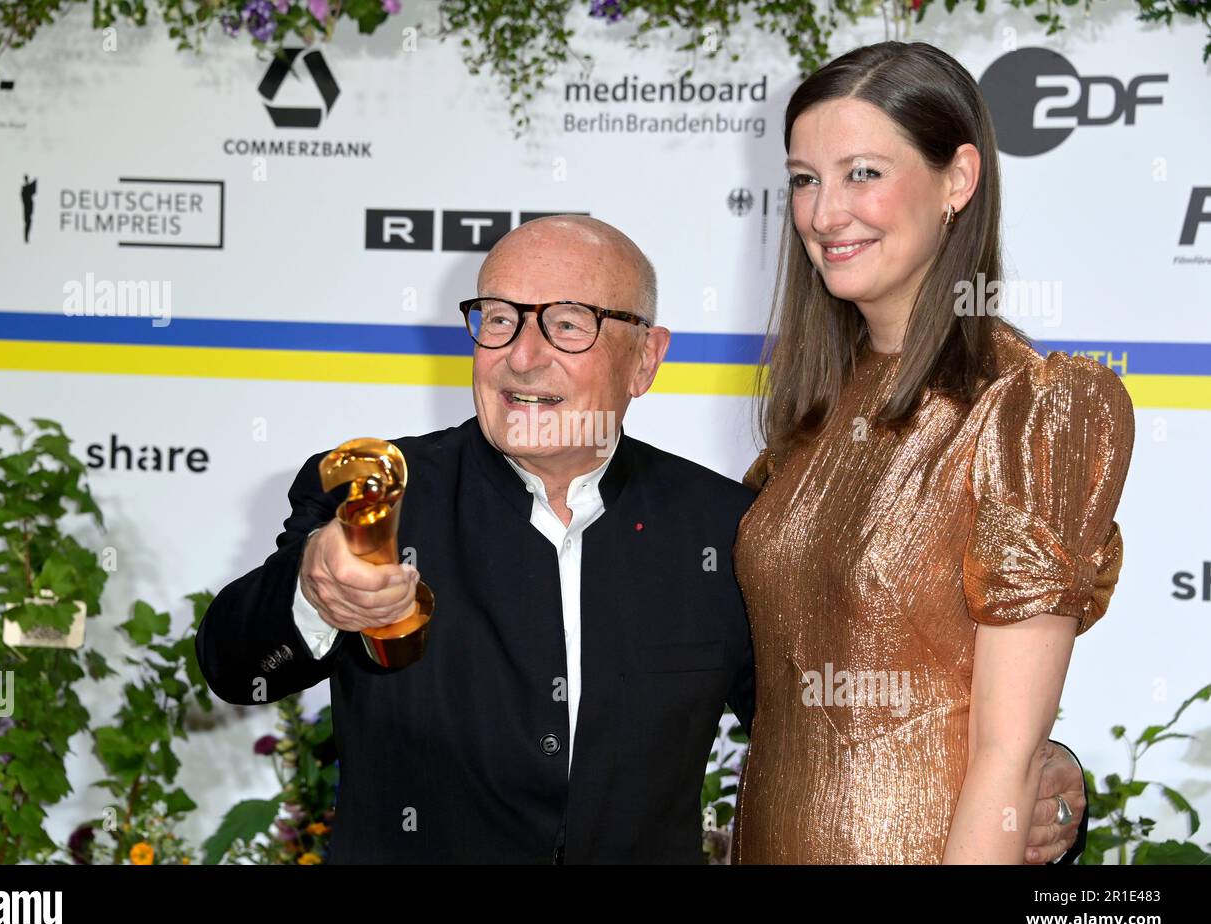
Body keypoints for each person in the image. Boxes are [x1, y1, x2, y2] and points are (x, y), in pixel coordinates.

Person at [196, 214, 1088, 864]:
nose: (521, 354)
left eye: (569, 323)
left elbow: (833, 721)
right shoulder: (377, 494)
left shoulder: (727, 528)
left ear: (647, 359)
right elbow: (240, 667)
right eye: (498, 318)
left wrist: (1028, 765)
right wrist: (314, 596)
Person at [732, 42, 1133, 863]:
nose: (824, 213)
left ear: (958, 179)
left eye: (863, 173)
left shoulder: (1028, 407)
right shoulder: (812, 416)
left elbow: (1007, 754)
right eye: (805, 179)